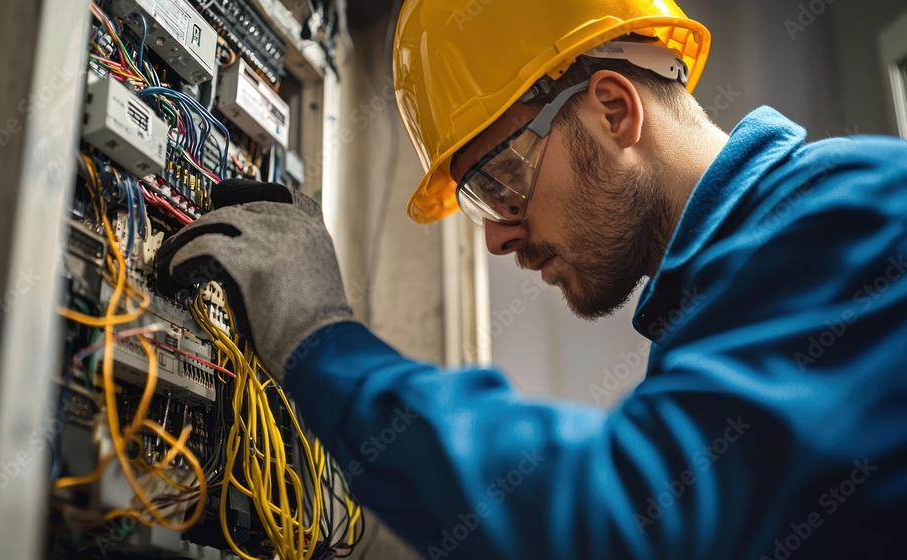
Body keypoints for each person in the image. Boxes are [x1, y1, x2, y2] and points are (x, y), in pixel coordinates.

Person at [157, 0, 907, 557]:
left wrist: (319, 337)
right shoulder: (718, 309)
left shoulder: (858, 210)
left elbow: (619, 519)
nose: (497, 235)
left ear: (613, 109)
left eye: (499, 178)